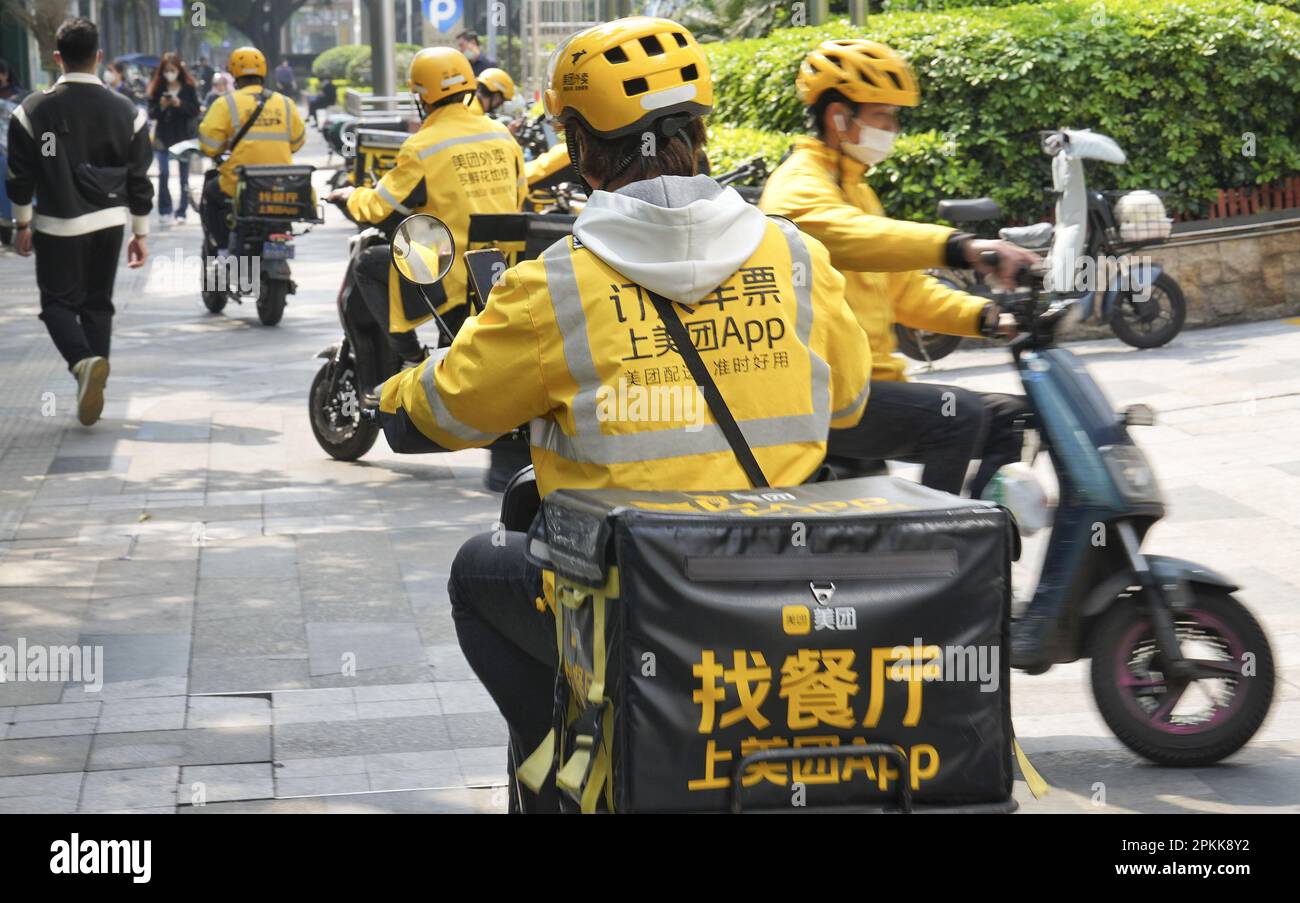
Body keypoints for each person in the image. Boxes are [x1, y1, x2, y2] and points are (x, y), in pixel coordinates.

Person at [377, 17, 872, 811]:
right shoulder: (796, 256)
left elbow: (443, 408)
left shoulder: (554, 286)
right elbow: (847, 398)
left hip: (633, 608)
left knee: (480, 568)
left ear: (575, 145)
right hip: (782, 589)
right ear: (700, 132)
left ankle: (566, 768)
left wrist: (393, 391)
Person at [761, 39, 1035, 497]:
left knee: (1016, 418)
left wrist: (987, 318)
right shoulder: (797, 188)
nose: (893, 128)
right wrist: (962, 248)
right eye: (883, 117)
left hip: (871, 388)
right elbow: (854, 237)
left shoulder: (856, 188)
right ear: (839, 118)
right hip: (825, 395)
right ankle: (945, 544)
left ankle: (985, 543)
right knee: (958, 415)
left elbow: (904, 293)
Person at [326, 47, 525, 371]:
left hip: (448, 269)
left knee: (366, 263)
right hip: (498, 268)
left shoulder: (423, 145)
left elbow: (380, 205)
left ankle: (410, 355)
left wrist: (350, 197)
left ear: (422, 96)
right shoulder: (502, 134)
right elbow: (519, 196)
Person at [6, 17, 152, 427]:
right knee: (97, 304)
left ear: (56, 58)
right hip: (110, 222)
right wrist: (140, 232)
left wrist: (22, 225)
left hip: (57, 224)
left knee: (56, 305)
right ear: (99, 57)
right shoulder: (128, 112)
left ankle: (83, 363)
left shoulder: (32, 111)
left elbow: (20, 176)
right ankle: (93, 378)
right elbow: (139, 180)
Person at [196, 47, 305, 256]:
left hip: (239, 186)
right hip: (282, 186)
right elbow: (298, 141)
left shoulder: (225, 104)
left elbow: (209, 145)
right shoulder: (285, 103)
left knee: (210, 193)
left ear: (234, 73)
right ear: (263, 71)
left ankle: (222, 250)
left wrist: (221, 149)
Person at [147, 53, 201, 225]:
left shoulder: (188, 88)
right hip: (163, 137)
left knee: (184, 177)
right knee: (163, 173)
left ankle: (182, 211)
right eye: (166, 70)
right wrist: (162, 106)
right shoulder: (157, 89)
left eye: (172, 70)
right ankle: (164, 209)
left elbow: (195, 110)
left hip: (183, 137)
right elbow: (151, 113)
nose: (169, 73)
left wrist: (180, 104)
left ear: (179, 70)